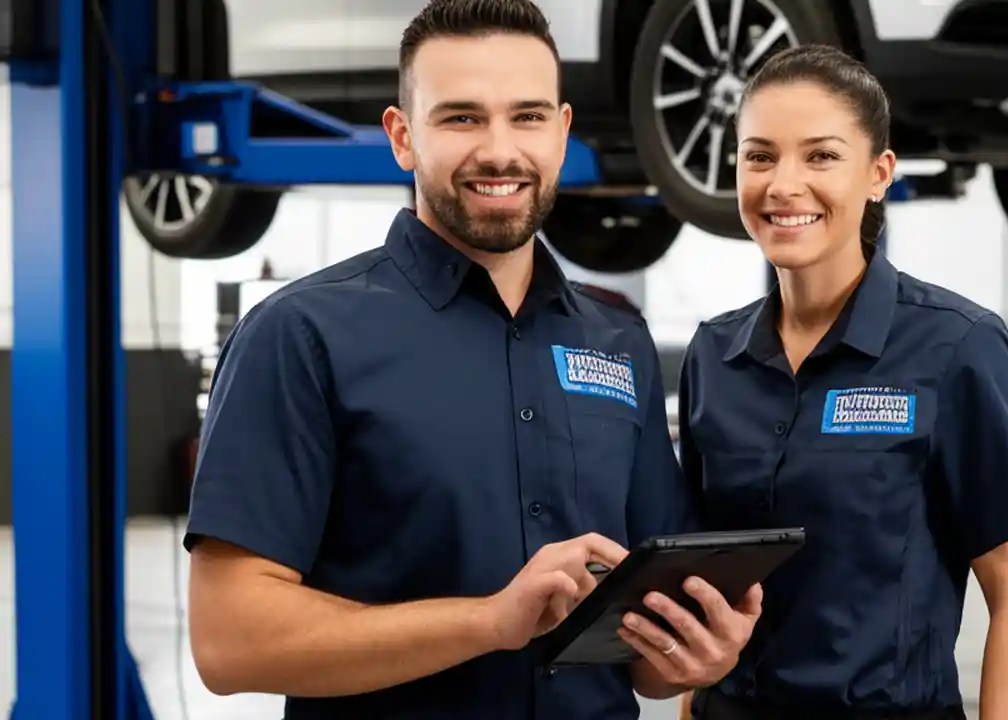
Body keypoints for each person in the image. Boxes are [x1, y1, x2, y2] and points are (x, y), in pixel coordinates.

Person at [183, 2, 762, 718]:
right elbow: (230, 642)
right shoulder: (300, 335)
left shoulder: (616, 341)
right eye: (461, 118)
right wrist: (489, 622)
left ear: (561, 130)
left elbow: (643, 655)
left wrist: (697, 652)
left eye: (527, 116)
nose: (499, 150)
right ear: (402, 136)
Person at [676, 46, 1008, 720]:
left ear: (879, 173)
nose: (783, 184)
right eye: (759, 156)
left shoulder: (956, 346)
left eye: (820, 156)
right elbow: (702, 583)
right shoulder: (714, 354)